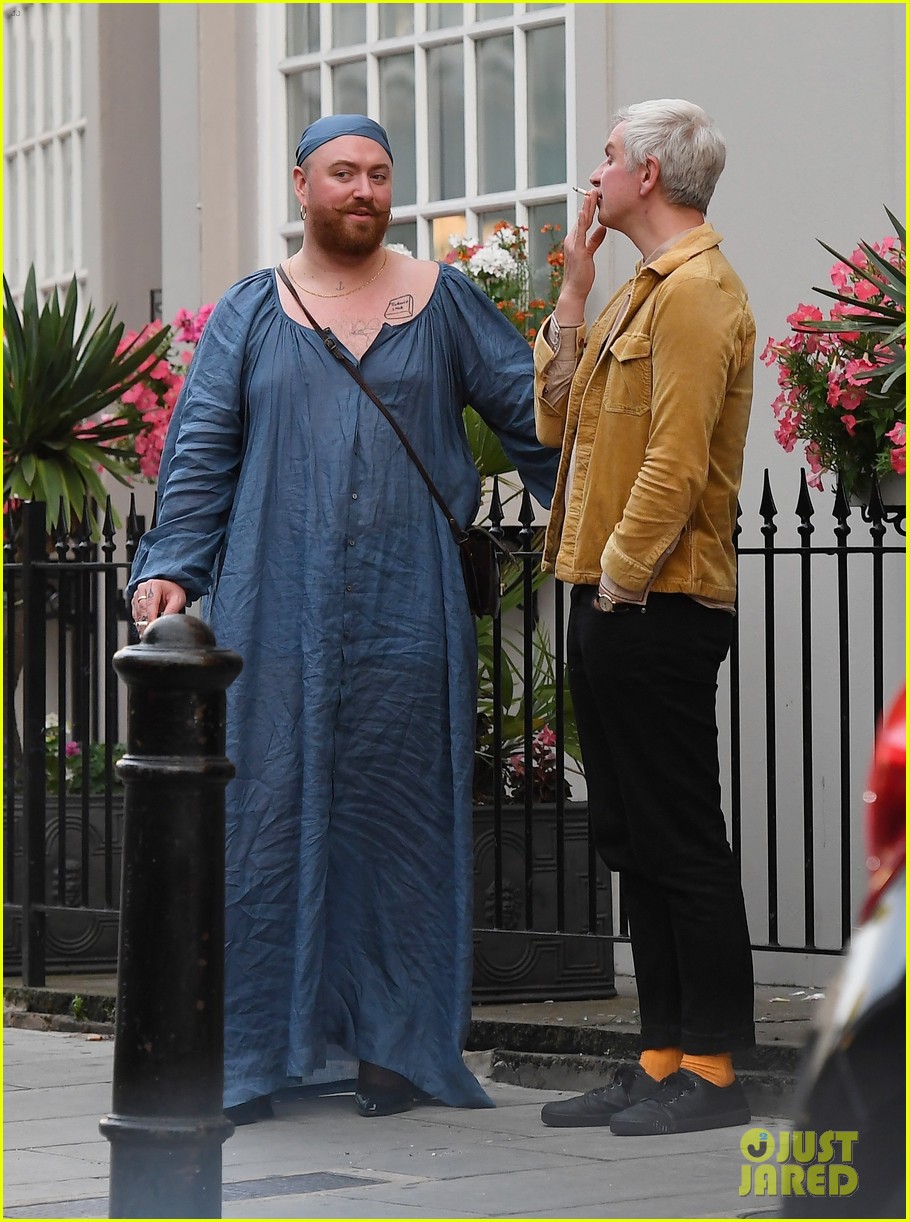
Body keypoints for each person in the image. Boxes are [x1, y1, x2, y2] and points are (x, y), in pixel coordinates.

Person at [128, 114, 559, 1123]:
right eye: (343, 174)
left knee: (400, 824)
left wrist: (608, 512)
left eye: (378, 175)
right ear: (301, 186)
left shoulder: (443, 301)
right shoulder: (251, 311)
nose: (364, 190)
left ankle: (395, 1049)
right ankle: (248, 1055)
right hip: (272, 611)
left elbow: (533, 419)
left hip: (408, 616)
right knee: (263, 824)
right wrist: (172, 571)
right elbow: (201, 453)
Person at [533, 99, 756, 1136]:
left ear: (650, 175)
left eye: (609, 156)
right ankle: (659, 1055)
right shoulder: (633, 295)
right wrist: (573, 296)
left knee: (679, 836)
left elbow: (674, 460)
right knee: (632, 834)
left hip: (654, 603)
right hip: (608, 597)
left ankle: (710, 1070)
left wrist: (617, 579)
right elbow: (555, 420)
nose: (596, 173)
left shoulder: (701, 293)